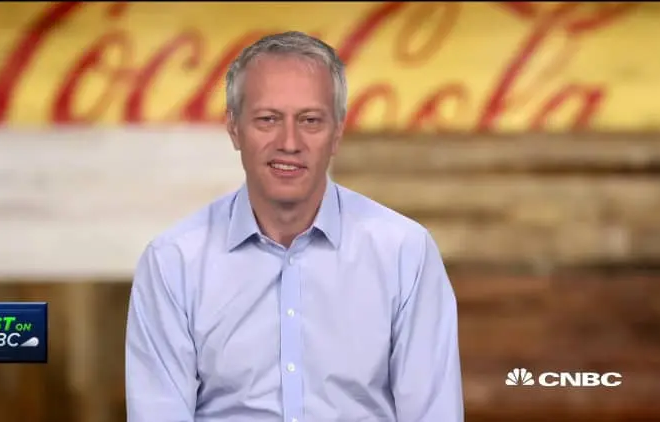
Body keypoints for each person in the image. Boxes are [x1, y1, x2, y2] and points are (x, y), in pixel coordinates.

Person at [125, 31, 464, 422]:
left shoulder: (405, 252)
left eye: (310, 121)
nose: (289, 142)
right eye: (268, 119)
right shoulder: (172, 262)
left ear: (337, 132)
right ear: (234, 129)